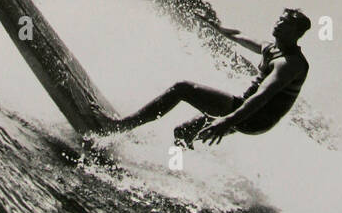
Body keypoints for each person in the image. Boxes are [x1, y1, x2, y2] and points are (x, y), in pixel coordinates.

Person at [109, 8, 311, 148]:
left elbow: (263, 96)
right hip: (245, 110)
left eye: (284, 24)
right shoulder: (272, 48)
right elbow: (238, 34)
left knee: (182, 88)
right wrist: (214, 24)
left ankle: (122, 125)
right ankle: (182, 177)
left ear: (296, 32)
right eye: (279, 19)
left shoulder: (289, 64)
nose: (278, 24)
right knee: (183, 132)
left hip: (254, 117)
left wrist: (227, 122)